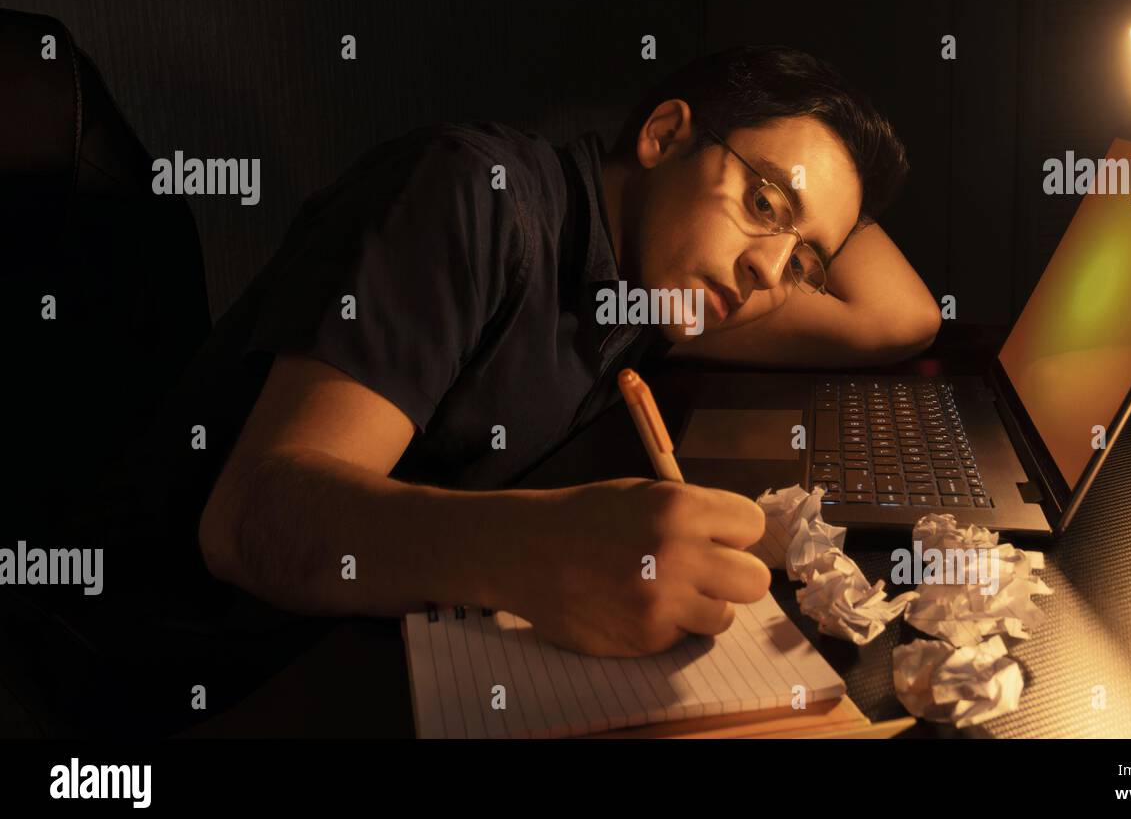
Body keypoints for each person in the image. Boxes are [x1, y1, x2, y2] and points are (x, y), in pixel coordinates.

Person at [132, 45, 939, 680]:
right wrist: (542, 552)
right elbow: (247, 519)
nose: (770, 272)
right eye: (762, 203)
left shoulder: (662, 296)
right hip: (190, 670)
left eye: (804, 263)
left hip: (377, 651)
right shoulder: (470, 197)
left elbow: (903, 317)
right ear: (663, 135)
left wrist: (824, 198)